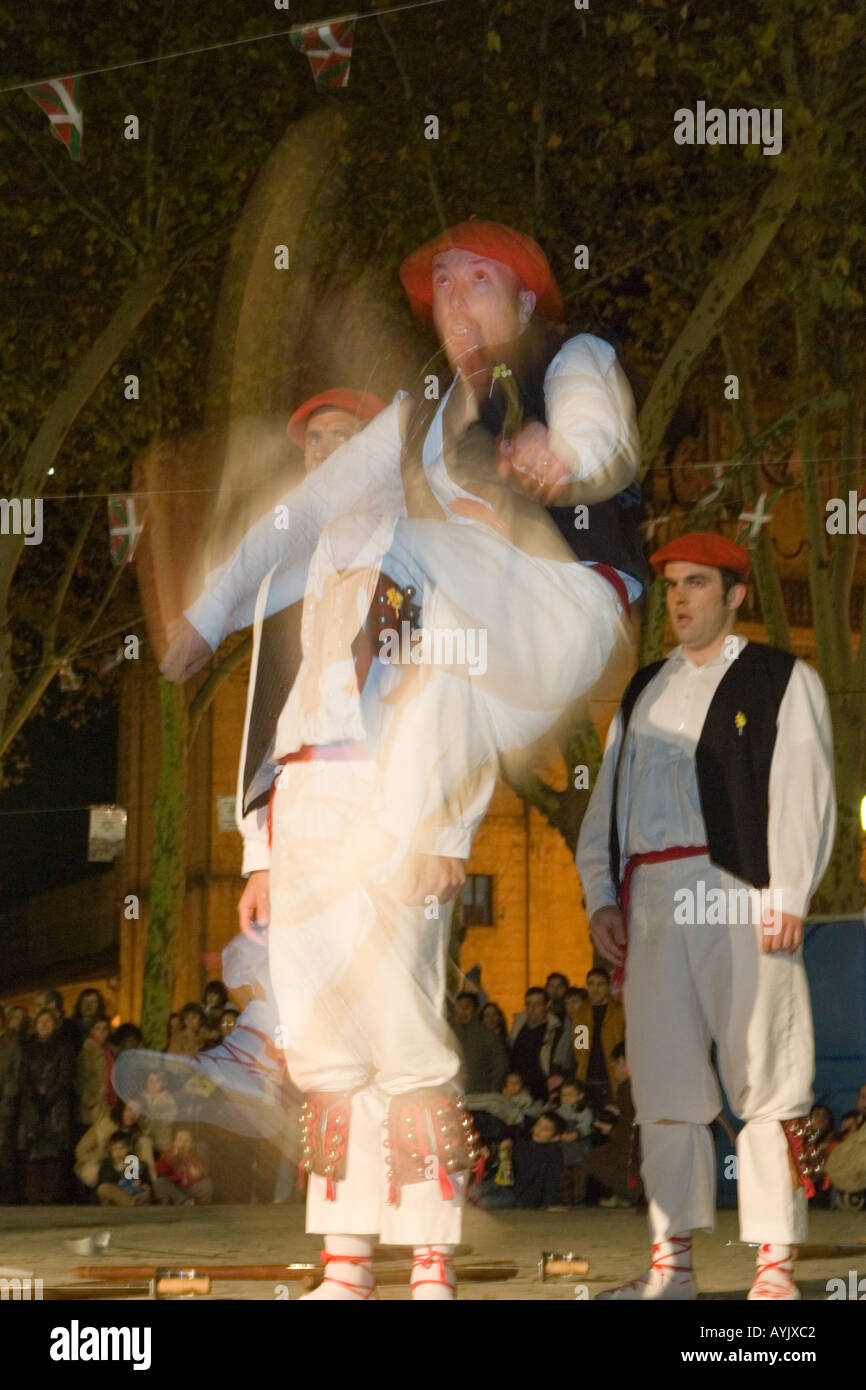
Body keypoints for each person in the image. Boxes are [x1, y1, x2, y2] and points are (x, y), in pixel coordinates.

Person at [161, 220, 644, 1299]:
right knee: (348, 1017)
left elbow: (599, 426)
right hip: (422, 696)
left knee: (408, 566)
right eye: (438, 290)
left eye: (476, 284)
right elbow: (291, 522)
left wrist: (563, 453)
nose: (455, 306)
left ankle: (389, 1196)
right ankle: (348, 1254)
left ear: (521, 295)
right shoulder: (417, 422)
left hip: (561, 605)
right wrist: (205, 610)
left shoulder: (565, 357)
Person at [577, 531, 836, 1301]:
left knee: (766, 1076)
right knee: (664, 1088)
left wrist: (788, 889)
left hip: (738, 887)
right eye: (672, 585)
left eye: (697, 583)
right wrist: (601, 894)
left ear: (735, 595)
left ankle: (775, 1270)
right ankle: (672, 1269)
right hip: (653, 898)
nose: (681, 598)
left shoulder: (780, 677)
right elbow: (608, 805)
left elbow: (802, 784)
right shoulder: (642, 688)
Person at [16, 1007, 73, 1204]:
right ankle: (33, 1197)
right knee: (32, 1154)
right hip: (32, 1106)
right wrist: (32, 1096)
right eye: (41, 1022)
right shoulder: (28, 1048)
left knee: (53, 1154)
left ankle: (49, 1197)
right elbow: (22, 1076)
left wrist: (50, 1097)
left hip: (55, 1107)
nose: (44, 1026)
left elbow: (65, 1077)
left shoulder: (62, 1048)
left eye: (48, 1022)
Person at [571, 967, 625, 1111]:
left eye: (600, 984)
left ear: (608, 987)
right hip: (588, 1079)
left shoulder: (619, 1012)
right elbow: (579, 1047)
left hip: (612, 1078)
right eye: (591, 984)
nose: (595, 989)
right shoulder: (581, 1013)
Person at [76, 1099, 156, 1192]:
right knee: (93, 1173)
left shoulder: (139, 1131)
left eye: (136, 1111)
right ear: (121, 1109)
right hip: (101, 1162)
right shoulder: (104, 1126)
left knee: (145, 1142)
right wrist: (101, 1157)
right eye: (129, 1109)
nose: (132, 1114)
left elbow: (145, 1161)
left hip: (129, 1165)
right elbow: (81, 1149)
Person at [509, 988, 560, 1102]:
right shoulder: (517, 1027)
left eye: (537, 1004)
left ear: (547, 1005)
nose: (532, 1009)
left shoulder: (555, 1030)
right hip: (517, 1088)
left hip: (541, 1088)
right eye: (528, 1004)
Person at [452, 992, 508, 1094]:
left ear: (475, 1010)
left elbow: (499, 1067)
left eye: (467, 1007)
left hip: (481, 1095)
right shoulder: (450, 1034)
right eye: (459, 1007)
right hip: (453, 1094)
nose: (462, 1011)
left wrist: (493, 1091)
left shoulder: (488, 1035)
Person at [74, 1016, 115, 1130]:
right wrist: (92, 1098)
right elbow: (81, 1078)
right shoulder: (88, 1051)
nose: (101, 1032)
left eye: (104, 1029)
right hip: (95, 1104)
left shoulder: (108, 1050)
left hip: (107, 1102)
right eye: (98, 1029)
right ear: (92, 1030)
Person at [154, 1128, 214, 1205]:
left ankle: (185, 1201)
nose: (183, 1143)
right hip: (174, 1187)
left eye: (186, 1141)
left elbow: (200, 1170)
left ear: (191, 1144)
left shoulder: (194, 1156)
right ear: (174, 1142)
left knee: (207, 1185)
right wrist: (173, 1157)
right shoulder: (167, 1154)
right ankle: (184, 1201)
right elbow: (159, 1170)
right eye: (180, 1140)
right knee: (160, 1182)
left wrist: (197, 1173)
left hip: (189, 1188)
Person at [96, 1131, 156, 1206]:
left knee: (146, 1189)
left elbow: (146, 1183)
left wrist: (138, 1182)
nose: (118, 1152)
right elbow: (103, 1182)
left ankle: (135, 1203)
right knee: (103, 1189)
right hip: (117, 1197)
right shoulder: (107, 1164)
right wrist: (118, 1169)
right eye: (114, 1149)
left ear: (128, 1148)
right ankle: (134, 1204)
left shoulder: (137, 1163)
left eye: (121, 1148)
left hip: (134, 1194)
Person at [0, 1004, 22, 1203]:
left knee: (4, 1149)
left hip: (4, 1104)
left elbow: (15, 1074)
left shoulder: (11, 1042)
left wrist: (7, 1094)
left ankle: (7, 1196)